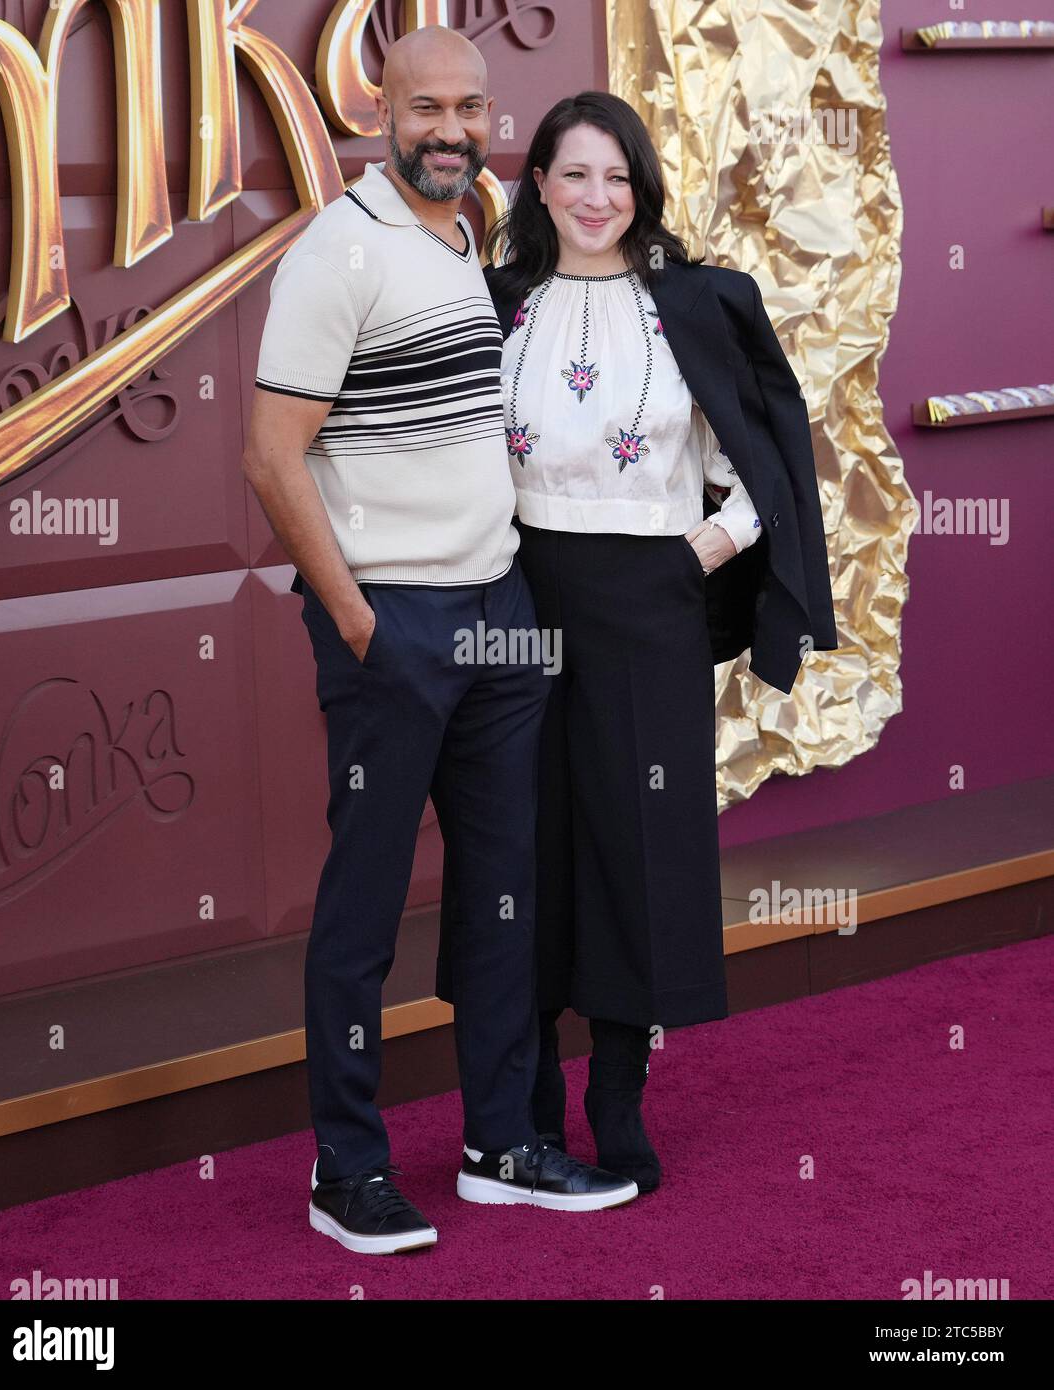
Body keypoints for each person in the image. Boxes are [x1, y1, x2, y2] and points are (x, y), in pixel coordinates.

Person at [243, 35, 638, 1255]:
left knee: (502, 894)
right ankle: (344, 1169)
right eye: (426, 107)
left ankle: (498, 1143)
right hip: (395, 621)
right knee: (363, 907)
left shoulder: (472, 233)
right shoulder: (336, 253)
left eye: (469, 105)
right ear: (381, 112)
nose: (450, 127)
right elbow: (269, 455)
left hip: (499, 614)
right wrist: (359, 617)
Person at [437, 91, 837, 1195]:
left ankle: (615, 1091)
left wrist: (690, 559)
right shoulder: (494, 302)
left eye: (614, 177)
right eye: (572, 176)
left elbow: (769, 462)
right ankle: (518, 1110)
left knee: (633, 848)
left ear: (640, 185)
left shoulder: (700, 303)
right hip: (513, 604)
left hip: (646, 606)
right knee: (517, 850)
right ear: (539, 188)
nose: (595, 198)